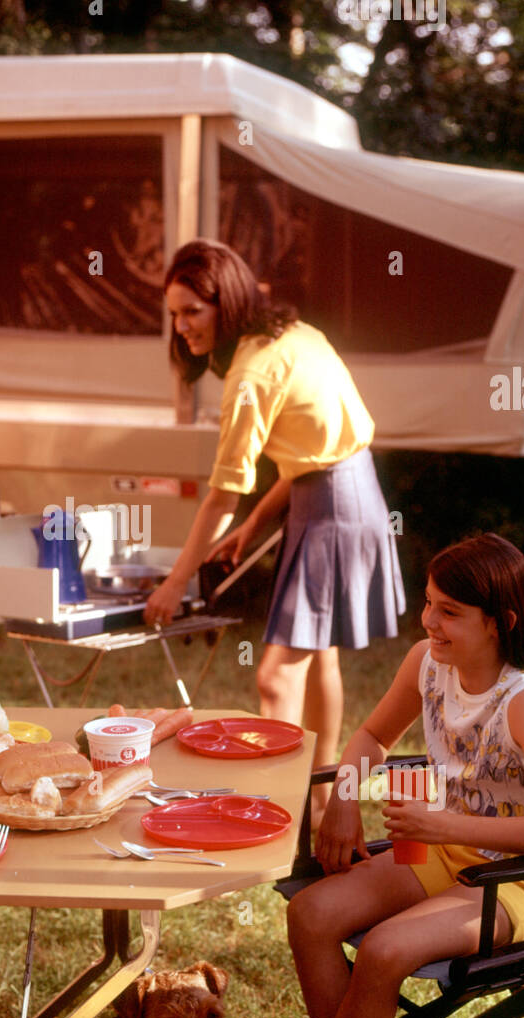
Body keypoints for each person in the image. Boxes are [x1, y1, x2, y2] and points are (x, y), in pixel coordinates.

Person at [285, 533, 524, 1018]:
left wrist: (443, 825)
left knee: (383, 951)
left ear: (501, 623)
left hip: (521, 881)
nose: (429, 620)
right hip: (443, 854)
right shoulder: (427, 663)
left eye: (449, 612)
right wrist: (342, 799)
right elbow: (373, 736)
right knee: (310, 914)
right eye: (428, 602)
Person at [144, 239, 405, 823]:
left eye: (192, 312)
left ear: (225, 303)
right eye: (174, 315)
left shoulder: (248, 377)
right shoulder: (290, 334)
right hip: (341, 493)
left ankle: (280, 809)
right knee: (321, 662)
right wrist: (259, 522)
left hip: (335, 506)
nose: (182, 327)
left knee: (274, 675)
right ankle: (318, 805)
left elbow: (220, 496)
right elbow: (313, 451)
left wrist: (173, 584)